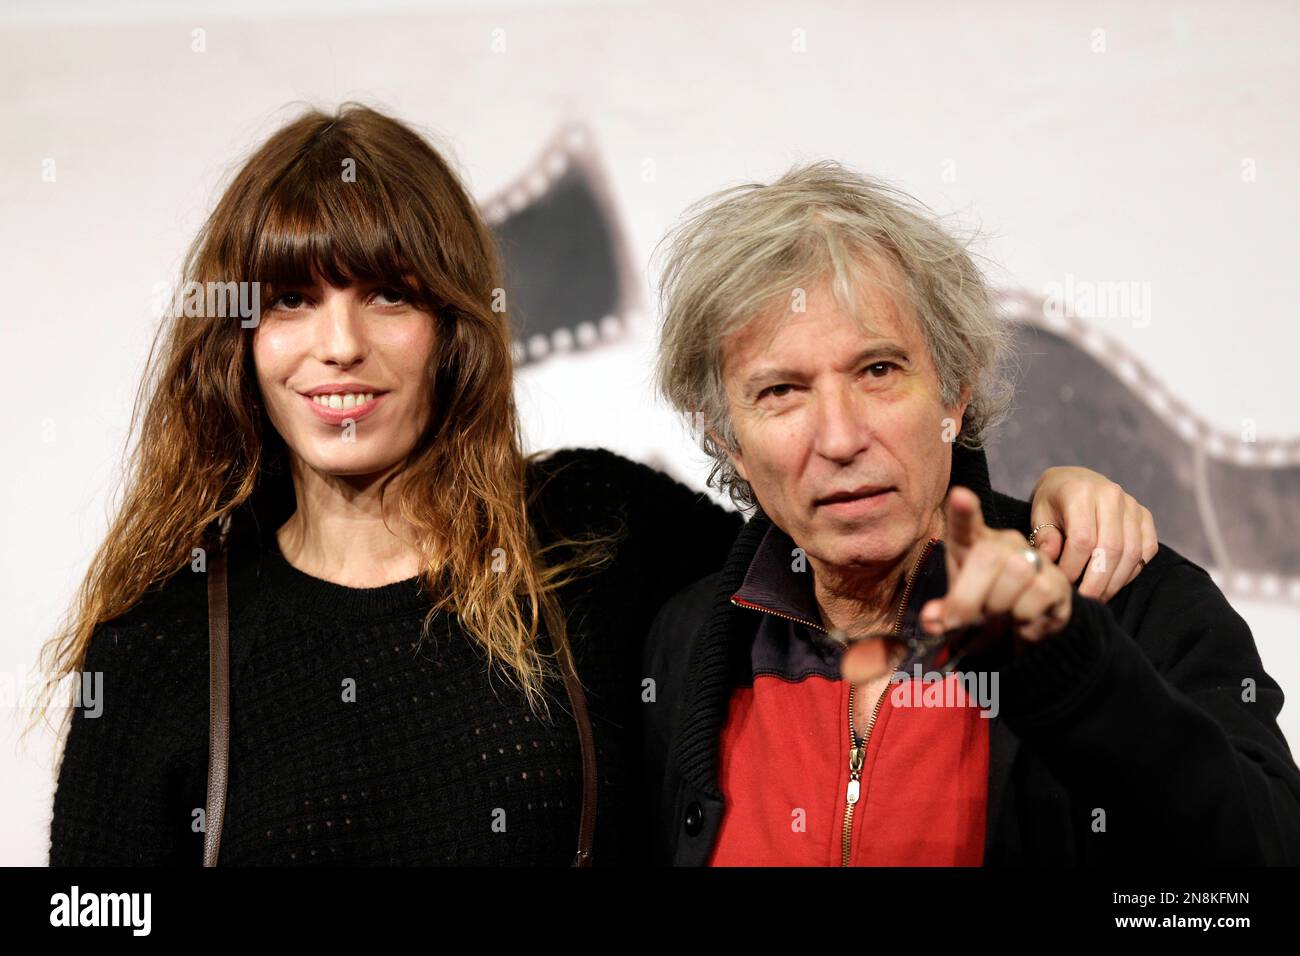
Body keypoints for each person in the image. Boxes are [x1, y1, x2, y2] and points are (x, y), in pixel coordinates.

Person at [32, 104, 1158, 866]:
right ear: (239, 339)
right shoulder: (161, 647)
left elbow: (843, 520)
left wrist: (1037, 489)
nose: (338, 346)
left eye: (387, 295)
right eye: (288, 301)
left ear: (456, 325)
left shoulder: (597, 529)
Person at [643, 160, 1300, 866]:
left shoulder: (1130, 598)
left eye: (879, 371)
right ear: (727, 439)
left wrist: (1075, 674)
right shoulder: (680, 643)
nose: (838, 438)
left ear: (955, 391)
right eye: (780, 390)